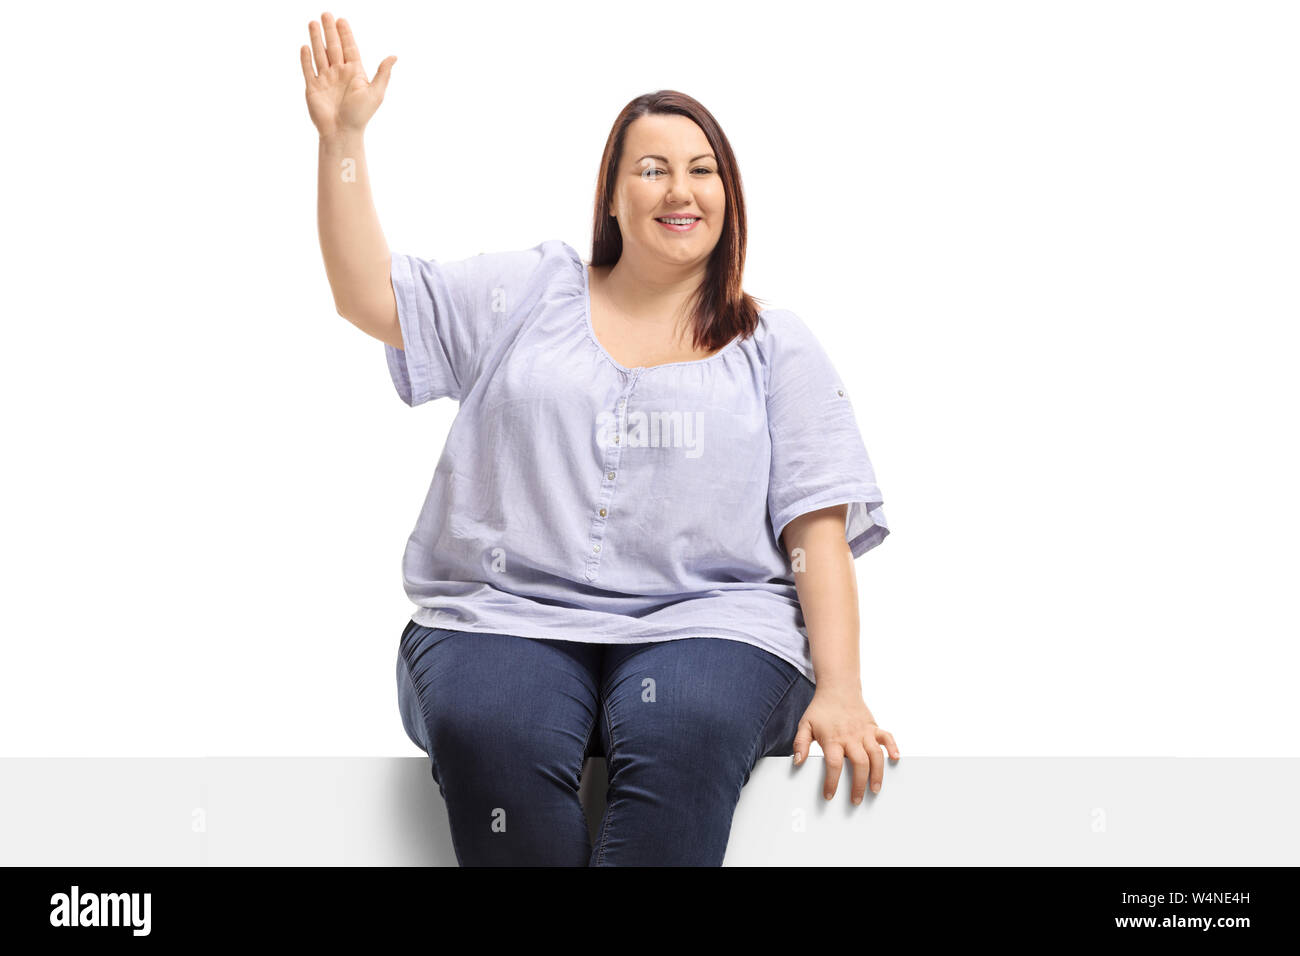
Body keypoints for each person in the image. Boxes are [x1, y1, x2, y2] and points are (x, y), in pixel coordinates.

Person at [302, 11, 901, 866]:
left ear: (728, 197)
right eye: (651, 169)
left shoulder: (775, 342)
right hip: (504, 618)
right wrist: (343, 140)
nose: (679, 190)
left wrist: (841, 688)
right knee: (492, 727)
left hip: (713, 622)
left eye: (702, 171)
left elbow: (817, 529)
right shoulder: (528, 292)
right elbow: (368, 295)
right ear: (613, 194)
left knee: (683, 723)